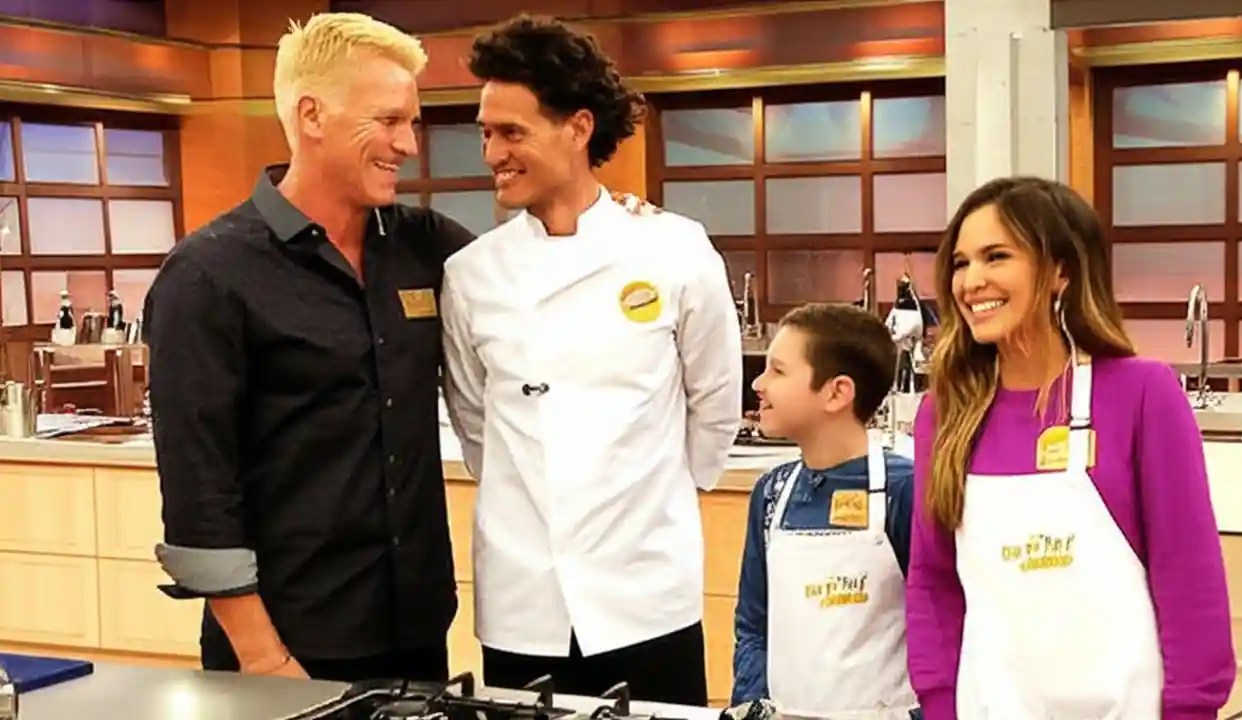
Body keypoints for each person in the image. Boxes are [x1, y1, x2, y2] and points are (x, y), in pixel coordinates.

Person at [144, 13, 474, 682]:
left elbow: (538, 266)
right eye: (386, 121)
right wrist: (264, 656)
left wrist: (613, 221)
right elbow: (199, 487)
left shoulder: (427, 247)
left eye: (410, 122)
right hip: (283, 650)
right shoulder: (209, 275)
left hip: (416, 635)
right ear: (312, 114)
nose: (407, 144)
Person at [440, 13, 743, 707]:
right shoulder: (471, 274)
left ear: (578, 128)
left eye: (512, 132)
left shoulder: (673, 250)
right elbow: (474, 423)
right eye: (485, 132)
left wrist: (647, 507)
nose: (491, 153)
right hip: (523, 598)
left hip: (646, 594)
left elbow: (716, 405)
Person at [905, 176, 1236, 719]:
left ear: (1060, 271)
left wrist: (1191, 709)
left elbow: (1189, 578)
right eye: (961, 263)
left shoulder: (1141, 395)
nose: (971, 281)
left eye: (996, 256)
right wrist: (941, 703)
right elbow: (933, 582)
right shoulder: (944, 413)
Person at [730, 303, 918, 719]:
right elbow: (752, 625)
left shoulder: (905, 491)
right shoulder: (772, 492)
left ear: (837, 393)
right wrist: (752, 704)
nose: (758, 384)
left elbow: (940, 626)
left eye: (777, 371)